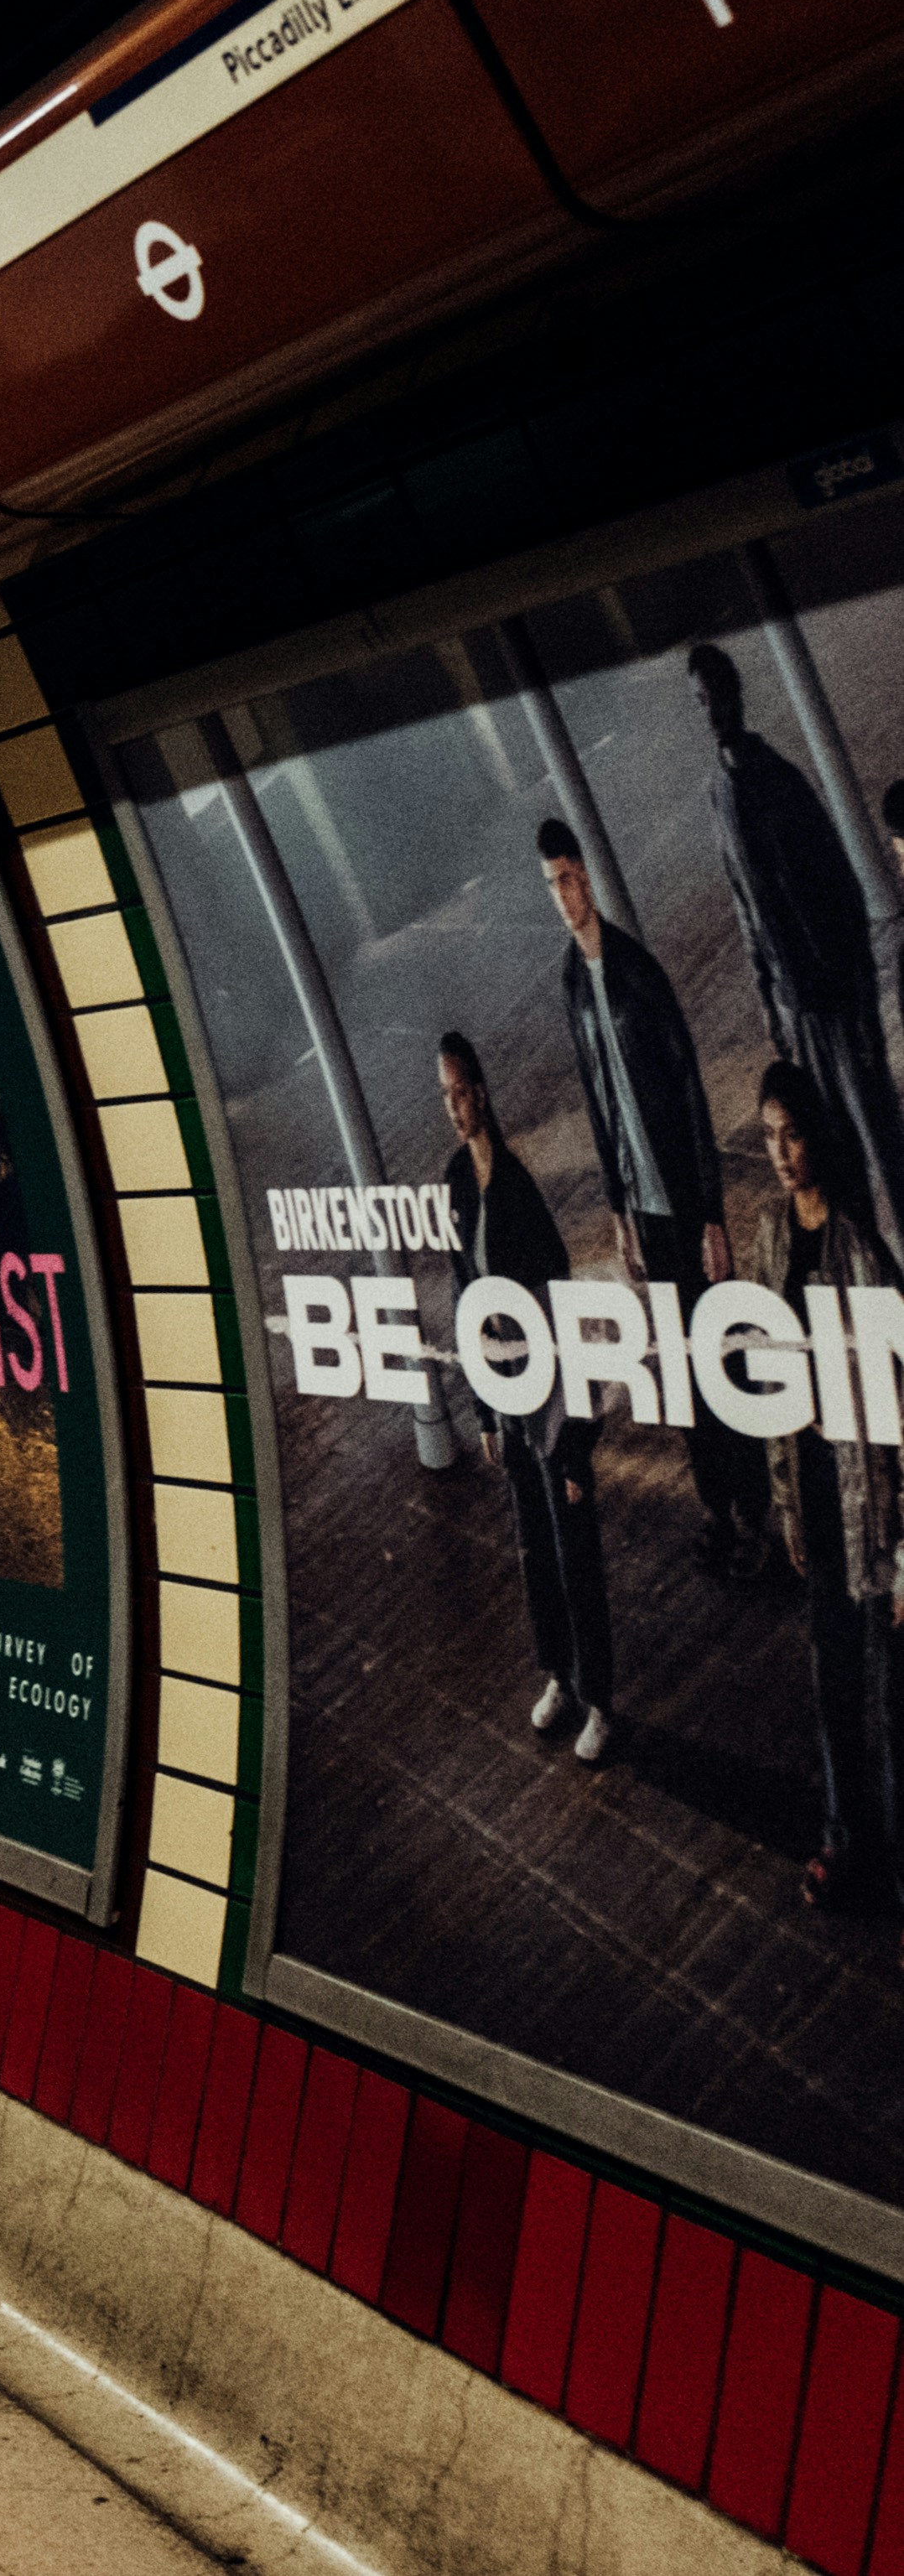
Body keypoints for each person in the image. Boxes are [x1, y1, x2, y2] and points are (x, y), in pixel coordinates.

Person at [543, 822, 775, 1572]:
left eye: (570, 878)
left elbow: (689, 1091)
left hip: (682, 1202)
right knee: (679, 1363)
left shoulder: (638, 972)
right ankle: (719, 1509)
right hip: (642, 1209)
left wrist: (711, 1213)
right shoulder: (573, 983)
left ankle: (756, 1510)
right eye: (553, 884)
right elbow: (596, 1097)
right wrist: (617, 1208)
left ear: (588, 876)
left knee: (719, 1357)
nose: (564, 895)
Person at [694, 646, 904, 1262]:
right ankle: (869, 1269)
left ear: (737, 695)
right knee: (831, 1154)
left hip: (836, 999)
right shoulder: (719, 795)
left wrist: (861, 1005)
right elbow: (745, 907)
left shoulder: (780, 779)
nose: (714, 713)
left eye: (719, 696)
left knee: (881, 1138)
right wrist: (771, 1005)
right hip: (796, 1009)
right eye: (703, 702)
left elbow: (840, 890)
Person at [438, 1032, 610, 1763]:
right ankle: (560, 1677)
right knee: (535, 1545)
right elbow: (463, 1296)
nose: (454, 1107)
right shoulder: (455, 1182)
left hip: (547, 1395)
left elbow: (558, 1294)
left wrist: (572, 1437)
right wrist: (483, 1408)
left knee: (572, 1550)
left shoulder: (514, 1184)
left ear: (482, 1092)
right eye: (445, 1096)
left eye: (461, 1092)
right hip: (507, 1391)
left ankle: (599, 1697)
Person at [761, 1059, 904, 1920]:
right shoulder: (772, 1239)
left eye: (792, 1133)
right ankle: (845, 1840)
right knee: (833, 1691)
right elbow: (773, 1382)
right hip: (816, 1501)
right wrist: (786, 1502)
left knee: (892, 1710)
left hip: (872, 1512)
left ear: (816, 1136)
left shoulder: (859, 1248)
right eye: (768, 1137)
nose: (781, 1153)